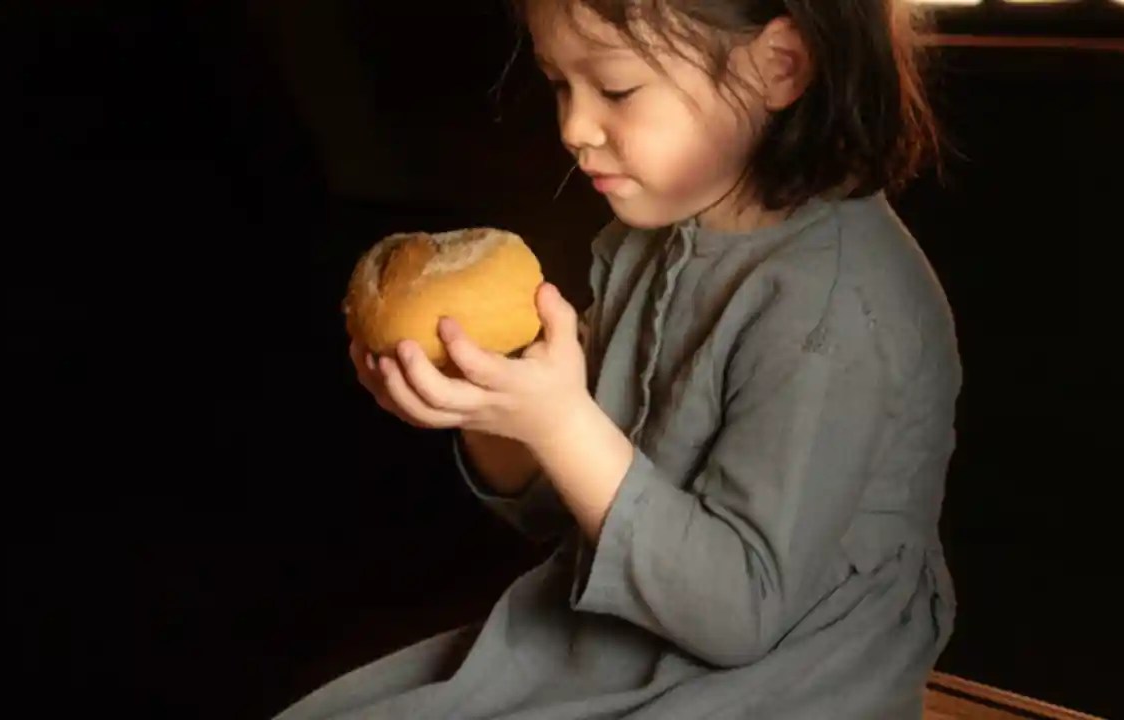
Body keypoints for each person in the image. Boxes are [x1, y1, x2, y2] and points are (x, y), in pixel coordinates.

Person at [275, 0, 959, 717]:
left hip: (787, 676)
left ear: (777, 66)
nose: (572, 127)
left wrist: (562, 426)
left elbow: (741, 612)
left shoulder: (835, 303)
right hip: (622, 627)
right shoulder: (655, 239)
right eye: (559, 84)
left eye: (616, 89)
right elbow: (563, 503)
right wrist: (490, 405)